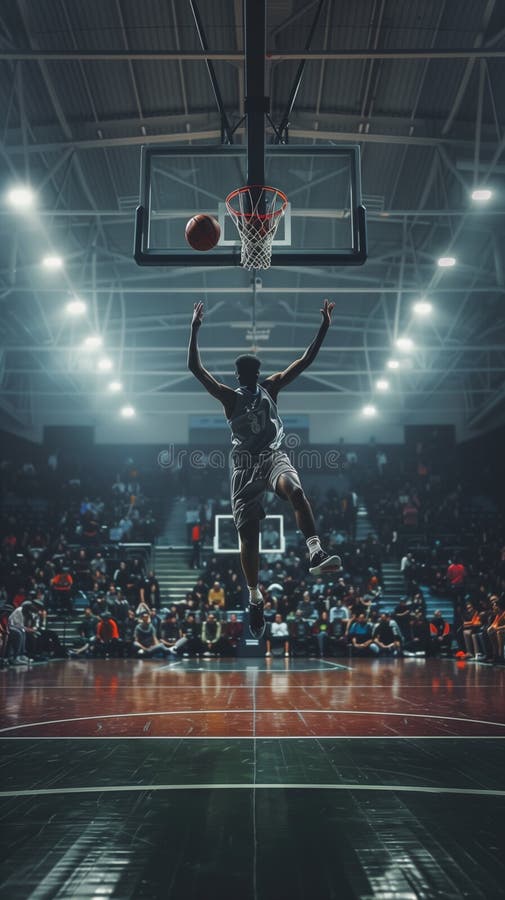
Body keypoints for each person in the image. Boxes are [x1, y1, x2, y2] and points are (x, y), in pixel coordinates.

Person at [188, 300, 341, 640]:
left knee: (297, 491)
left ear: (257, 375)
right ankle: (255, 596)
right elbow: (195, 369)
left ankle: (315, 551)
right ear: (240, 378)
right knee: (250, 535)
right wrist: (194, 329)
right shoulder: (230, 398)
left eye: (254, 375)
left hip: (273, 456)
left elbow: (304, 361)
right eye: (247, 376)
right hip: (244, 466)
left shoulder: (271, 386)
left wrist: (324, 327)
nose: (251, 379)